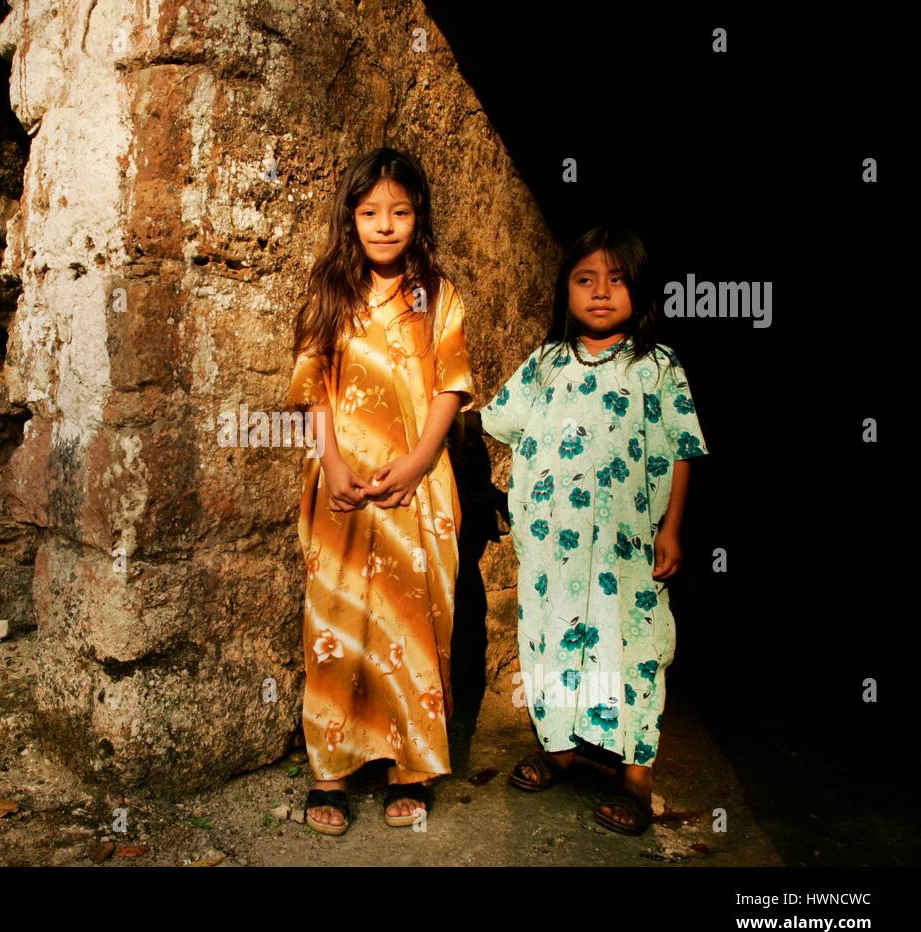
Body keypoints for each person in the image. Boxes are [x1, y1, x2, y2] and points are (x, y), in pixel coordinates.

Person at [480, 225, 709, 836]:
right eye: (586, 279)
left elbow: (682, 449)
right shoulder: (547, 364)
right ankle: (558, 746)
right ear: (566, 290)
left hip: (626, 547)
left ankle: (635, 772)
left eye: (617, 279)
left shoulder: (657, 366)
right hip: (554, 547)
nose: (601, 291)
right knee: (550, 639)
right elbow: (498, 422)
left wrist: (673, 529)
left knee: (635, 645)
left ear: (641, 290)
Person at [284, 147, 477, 835]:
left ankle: (409, 768)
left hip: (416, 490)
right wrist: (332, 463)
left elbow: (451, 387)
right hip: (344, 488)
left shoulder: (438, 296)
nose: (385, 225)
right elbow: (313, 388)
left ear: (418, 216)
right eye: (370, 213)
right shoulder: (329, 291)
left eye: (399, 211)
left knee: (413, 621)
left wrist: (420, 462)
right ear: (351, 218)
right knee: (336, 623)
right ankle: (330, 771)